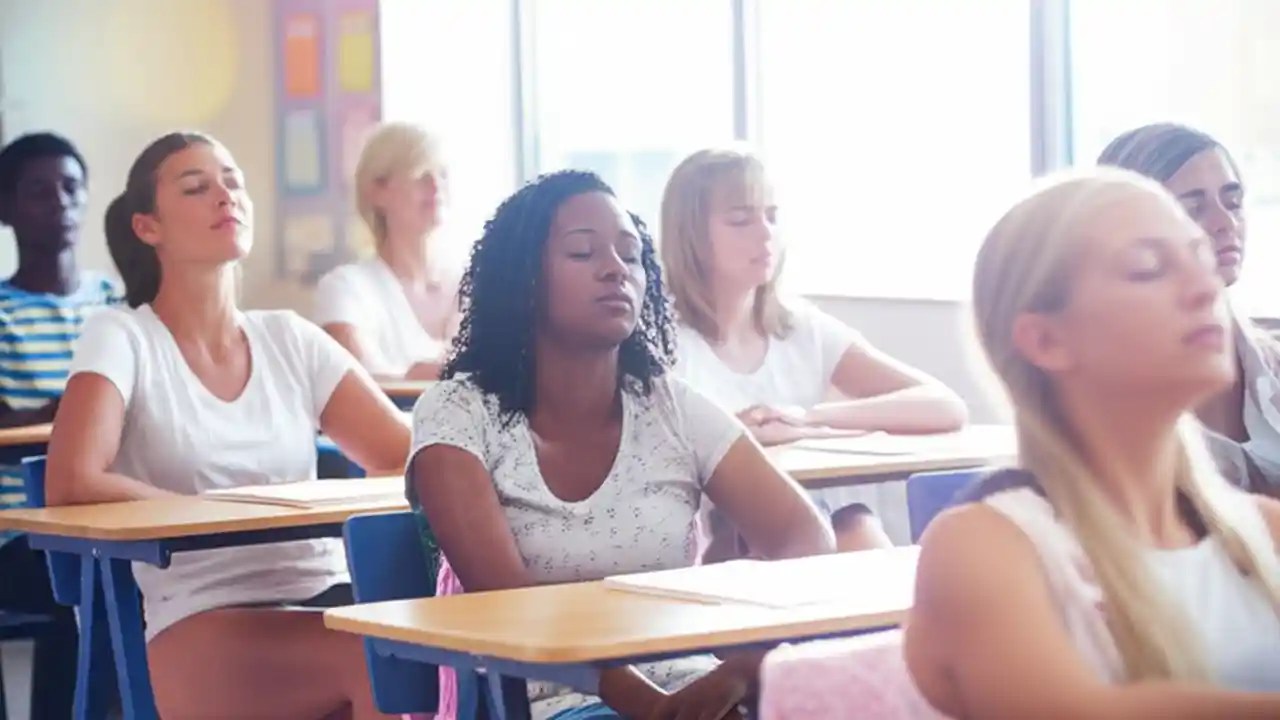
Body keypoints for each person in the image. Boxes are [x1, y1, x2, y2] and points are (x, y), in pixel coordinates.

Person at [408, 170, 834, 719]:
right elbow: (512, 607)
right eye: (583, 253)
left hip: (694, 687)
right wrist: (649, 705)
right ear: (524, 280)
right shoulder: (457, 414)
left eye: (630, 256)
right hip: (549, 699)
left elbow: (807, 542)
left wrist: (736, 674)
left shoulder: (670, 407)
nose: (615, 270)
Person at [46, 132, 409, 719]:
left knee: (434, 651)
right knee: (382, 659)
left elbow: (405, 457)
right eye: (196, 187)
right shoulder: (120, 335)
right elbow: (72, 479)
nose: (225, 196)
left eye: (233, 182)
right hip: (200, 616)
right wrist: (211, 513)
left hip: (327, 591)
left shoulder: (288, 337)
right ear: (147, 228)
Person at [905, 167, 1280, 718]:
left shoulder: (1264, 530)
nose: (1205, 288)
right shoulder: (984, 549)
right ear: (1045, 340)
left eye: (1200, 259)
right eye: (1148, 269)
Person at [659, 148, 967, 552]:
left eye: (771, 216)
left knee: (857, 527)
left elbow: (944, 406)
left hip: (815, 525)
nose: (765, 233)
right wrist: (732, 435)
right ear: (691, 234)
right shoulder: (663, 340)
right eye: (740, 220)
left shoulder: (799, 327)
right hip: (719, 545)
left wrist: (807, 419)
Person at [0, 131, 118, 718]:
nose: (60, 203)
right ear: (7, 208)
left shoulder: (114, 302)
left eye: (71, 188)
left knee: (104, 569)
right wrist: (66, 414)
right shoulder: (1, 311)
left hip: (108, 519)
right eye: (38, 192)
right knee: (73, 577)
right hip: (16, 534)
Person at [1099, 124, 1280, 498]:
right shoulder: (1105, 390)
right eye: (1192, 210)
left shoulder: (1272, 359)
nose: (1225, 224)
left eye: (1232, 203)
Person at [313, 122, 461, 380]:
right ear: (377, 191)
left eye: (442, 174)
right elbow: (359, 382)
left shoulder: (477, 286)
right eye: (421, 174)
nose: (436, 185)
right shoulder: (345, 287)